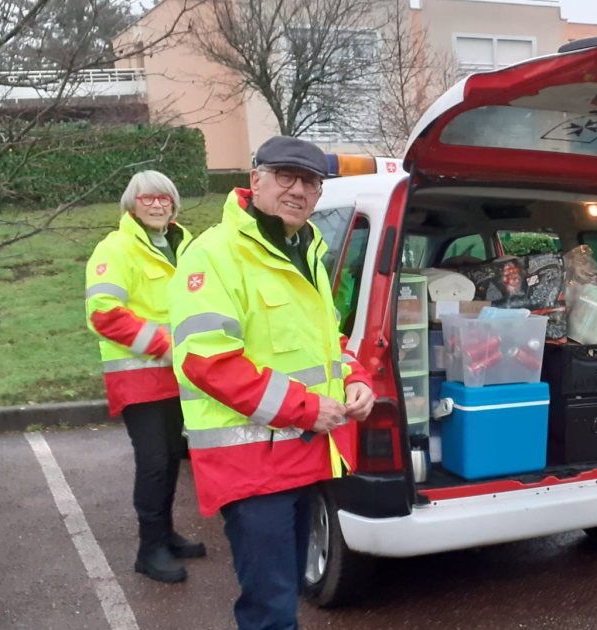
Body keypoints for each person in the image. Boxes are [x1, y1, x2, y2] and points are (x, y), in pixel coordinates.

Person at [168, 136, 375, 630]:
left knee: (282, 598)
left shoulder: (306, 250)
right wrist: (305, 408)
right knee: (271, 608)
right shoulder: (214, 254)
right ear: (255, 179)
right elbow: (207, 361)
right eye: (286, 177)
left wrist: (357, 380)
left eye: (310, 182)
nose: (299, 190)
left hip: (304, 457)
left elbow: (328, 343)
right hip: (253, 467)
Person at [85, 170, 205, 584]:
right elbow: (104, 314)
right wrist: (164, 343)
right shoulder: (114, 249)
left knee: (172, 456)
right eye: (147, 199)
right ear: (131, 205)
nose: (157, 205)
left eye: (164, 199)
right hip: (140, 377)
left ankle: (165, 534)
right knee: (154, 461)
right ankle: (148, 549)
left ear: (174, 204)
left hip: (181, 377)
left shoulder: (185, 244)